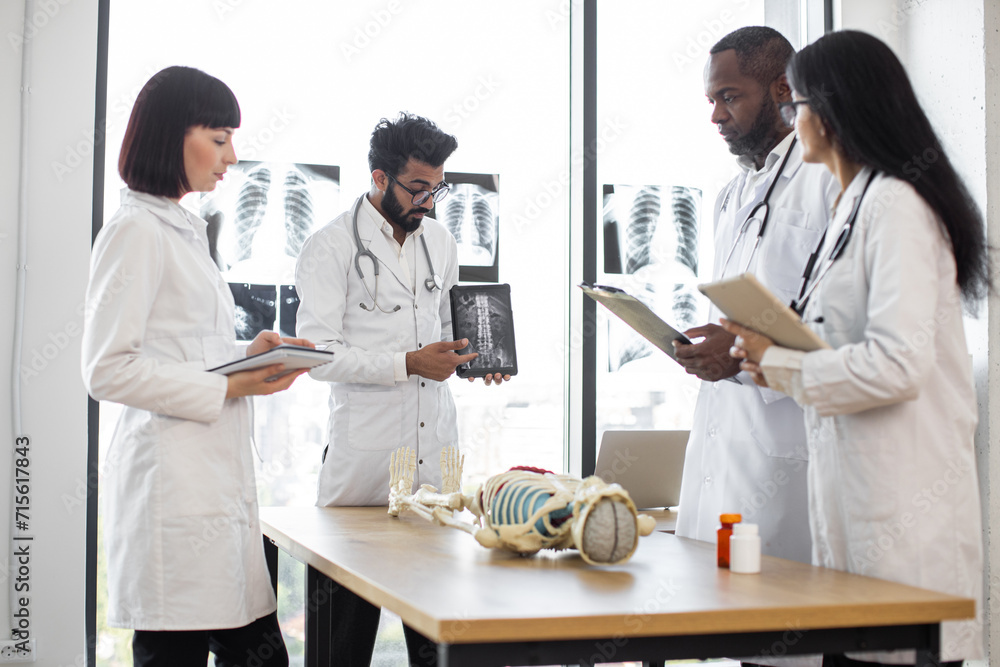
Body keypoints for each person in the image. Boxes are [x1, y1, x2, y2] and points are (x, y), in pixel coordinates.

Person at [726, 30, 988, 666]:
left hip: (905, 526)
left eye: (797, 107)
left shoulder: (896, 205)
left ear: (832, 110)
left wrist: (781, 362)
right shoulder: (853, 203)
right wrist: (770, 356)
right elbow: (847, 343)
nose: (791, 122)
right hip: (851, 527)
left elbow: (897, 365)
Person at [81, 66, 311, 667]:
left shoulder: (180, 228)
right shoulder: (134, 231)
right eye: (219, 137)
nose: (232, 155)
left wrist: (247, 356)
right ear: (170, 135)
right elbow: (106, 369)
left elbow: (178, 352)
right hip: (172, 505)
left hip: (211, 496)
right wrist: (232, 382)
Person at [295, 112, 508, 666]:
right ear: (380, 178)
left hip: (436, 474)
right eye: (418, 188)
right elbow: (316, 357)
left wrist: (474, 358)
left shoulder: (439, 240)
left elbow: (443, 333)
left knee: (439, 647)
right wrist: (406, 363)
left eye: (437, 187)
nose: (429, 201)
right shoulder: (330, 247)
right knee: (342, 648)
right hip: (362, 476)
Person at [672, 27, 838, 565]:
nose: (716, 115)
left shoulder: (826, 180)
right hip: (725, 437)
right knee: (726, 616)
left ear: (782, 89)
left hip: (788, 444)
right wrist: (709, 347)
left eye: (729, 96)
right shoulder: (731, 193)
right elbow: (736, 310)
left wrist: (740, 352)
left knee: (784, 631)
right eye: (711, 100)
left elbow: (834, 322)